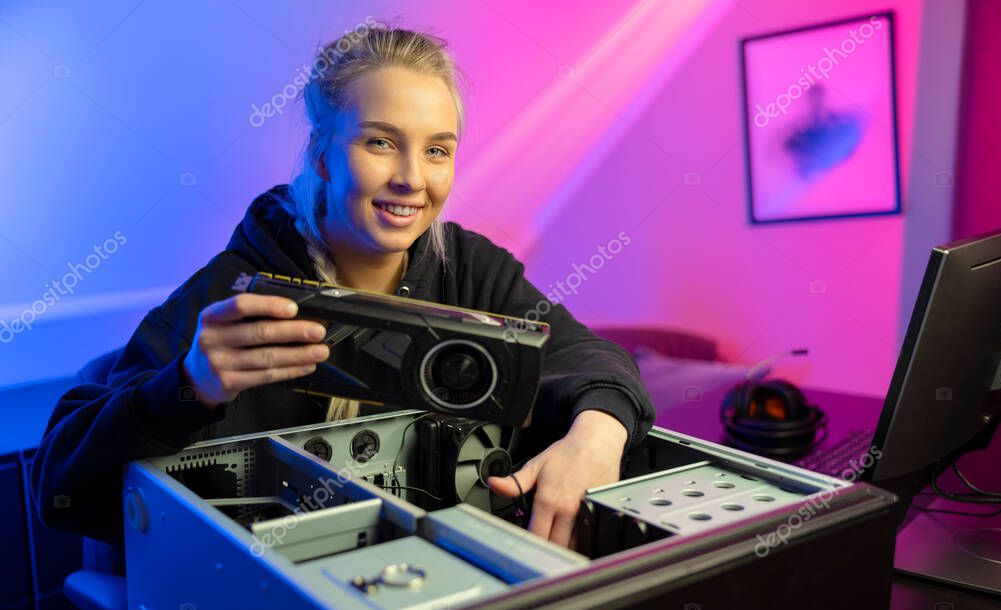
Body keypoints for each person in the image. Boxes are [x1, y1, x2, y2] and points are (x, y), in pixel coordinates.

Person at [31, 26, 655, 550]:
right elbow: (61, 487)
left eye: (438, 150)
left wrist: (599, 431)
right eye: (380, 142)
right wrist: (188, 387)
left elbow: (585, 356)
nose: (413, 178)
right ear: (324, 155)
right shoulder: (233, 295)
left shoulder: (469, 267)